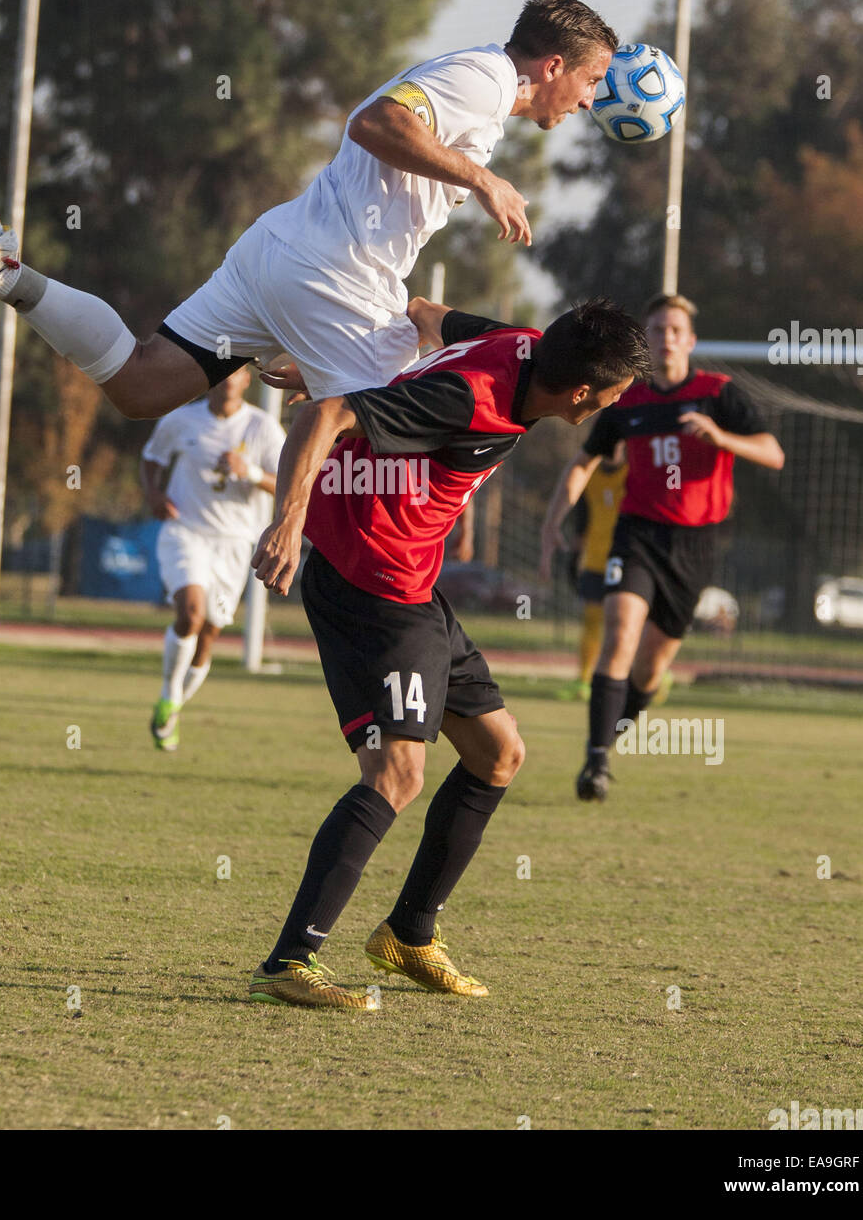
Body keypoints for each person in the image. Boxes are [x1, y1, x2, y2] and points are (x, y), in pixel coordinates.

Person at [0, 0, 616, 409]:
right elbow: (372, 124)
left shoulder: (484, 89)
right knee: (394, 426)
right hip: (331, 272)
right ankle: (380, 624)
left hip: (284, 253)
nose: (590, 100)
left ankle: (4, 273)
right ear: (552, 65)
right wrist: (483, 179)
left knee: (141, 385)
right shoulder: (488, 78)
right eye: (589, 82)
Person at [245, 295, 650, 1010]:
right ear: (583, 394)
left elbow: (424, 313)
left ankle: (409, 933)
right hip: (371, 581)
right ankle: (290, 960)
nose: (620, 404)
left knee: (498, 753)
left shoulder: (526, 346)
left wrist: (346, 361)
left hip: (413, 584)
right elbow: (326, 417)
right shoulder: (470, 401)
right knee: (397, 773)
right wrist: (287, 520)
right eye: (617, 393)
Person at [540, 294, 784, 802]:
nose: (666, 337)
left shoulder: (718, 394)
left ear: (690, 341)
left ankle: (615, 731)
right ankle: (596, 760)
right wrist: (554, 520)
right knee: (620, 633)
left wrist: (721, 437)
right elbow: (584, 461)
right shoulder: (628, 400)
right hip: (638, 535)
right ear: (646, 341)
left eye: (675, 329)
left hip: (697, 544)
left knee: (651, 668)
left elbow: (773, 453)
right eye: (656, 329)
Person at [140, 366, 284, 752]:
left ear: (246, 380)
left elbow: (288, 479)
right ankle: (170, 693)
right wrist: (153, 493)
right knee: (190, 612)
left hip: (236, 543)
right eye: (220, 371)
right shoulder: (181, 419)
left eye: (234, 372)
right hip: (185, 531)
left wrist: (249, 471)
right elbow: (151, 458)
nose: (226, 379)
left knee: (208, 637)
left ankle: (172, 709)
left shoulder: (262, 427)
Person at [541, 442, 628, 701]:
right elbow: (583, 518)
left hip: (625, 559)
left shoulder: (632, 474)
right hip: (594, 559)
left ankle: (632, 675)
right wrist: (573, 557)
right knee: (591, 620)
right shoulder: (590, 475)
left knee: (623, 624)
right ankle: (584, 680)